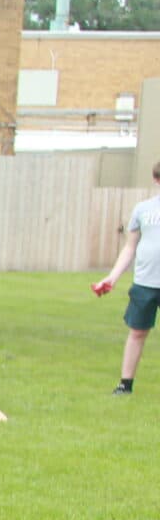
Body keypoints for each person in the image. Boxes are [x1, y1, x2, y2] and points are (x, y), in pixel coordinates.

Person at [94, 160, 160, 396]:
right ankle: (125, 384)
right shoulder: (142, 209)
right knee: (137, 332)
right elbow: (130, 247)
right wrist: (112, 277)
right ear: (156, 180)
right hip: (145, 282)